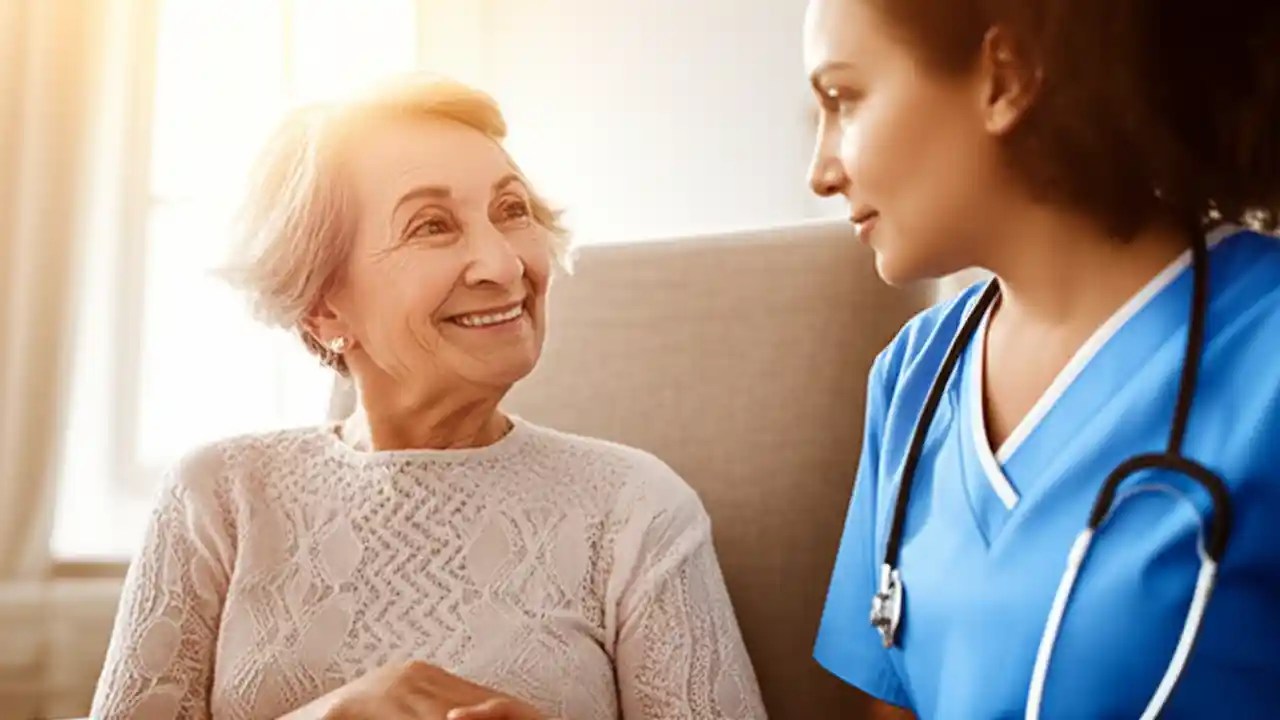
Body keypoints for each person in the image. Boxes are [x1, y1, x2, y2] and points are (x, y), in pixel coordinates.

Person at [91, 77, 765, 720]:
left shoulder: (634, 508)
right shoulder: (218, 498)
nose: (505, 266)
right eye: (432, 225)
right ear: (324, 307)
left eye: (512, 210)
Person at [803, 0, 1280, 717]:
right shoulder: (911, 380)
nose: (820, 170)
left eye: (844, 98)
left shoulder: (1264, 351)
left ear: (1006, 78)